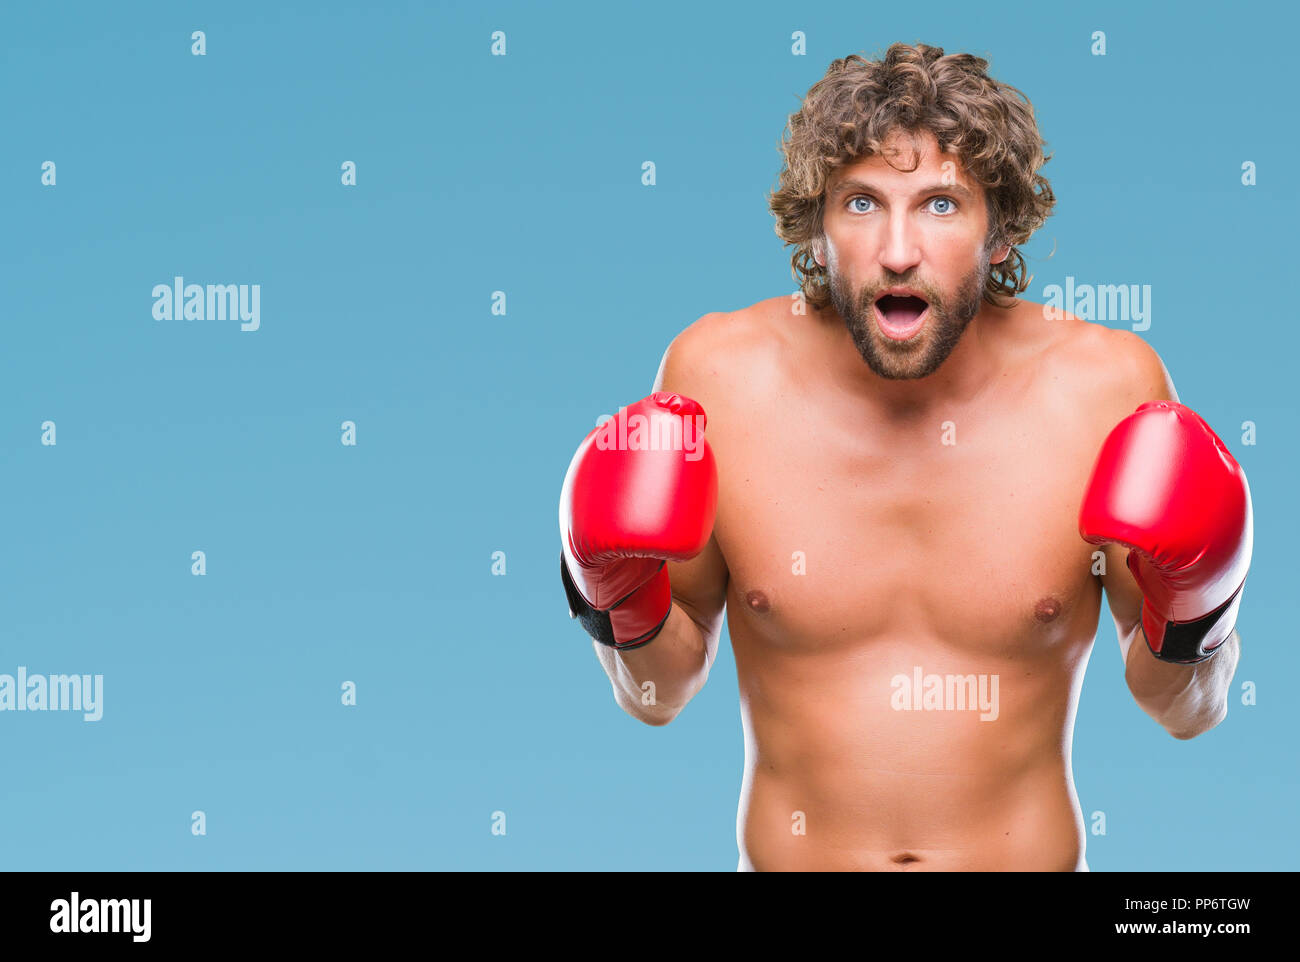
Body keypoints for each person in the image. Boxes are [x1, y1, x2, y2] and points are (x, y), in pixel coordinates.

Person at [557, 43, 1252, 871]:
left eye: (940, 205)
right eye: (860, 204)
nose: (896, 250)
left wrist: (1199, 608)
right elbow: (659, 695)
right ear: (816, 227)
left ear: (999, 231)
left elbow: (1183, 711)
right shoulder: (719, 379)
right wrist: (610, 595)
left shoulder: (1104, 390)